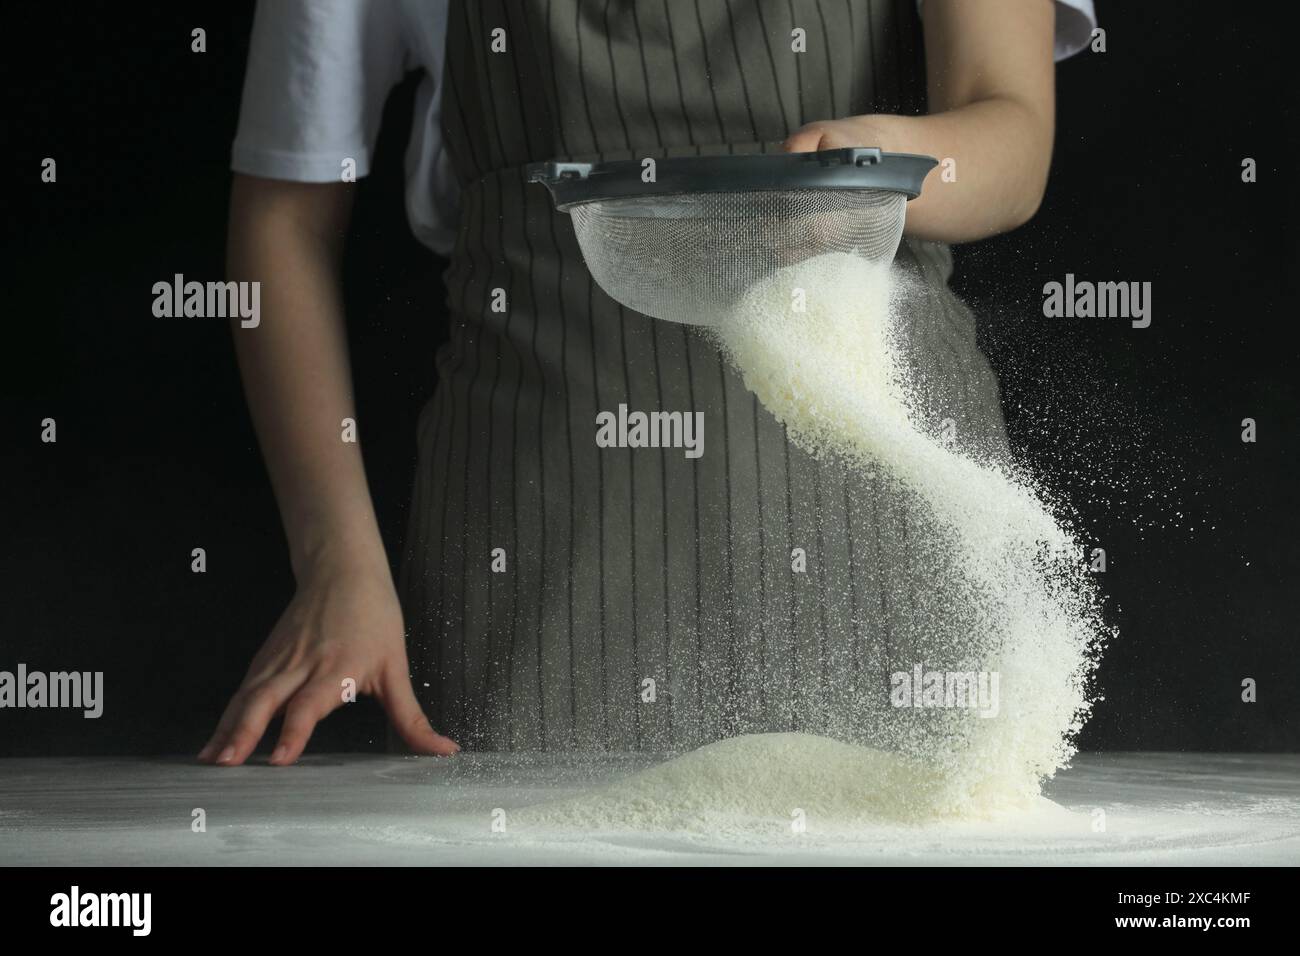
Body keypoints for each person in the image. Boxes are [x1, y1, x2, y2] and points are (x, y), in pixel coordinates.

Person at [200, 0, 1098, 766]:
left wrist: (878, 168)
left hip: (894, 538)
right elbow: (285, 221)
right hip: (544, 562)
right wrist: (336, 566)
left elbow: (1011, 134)